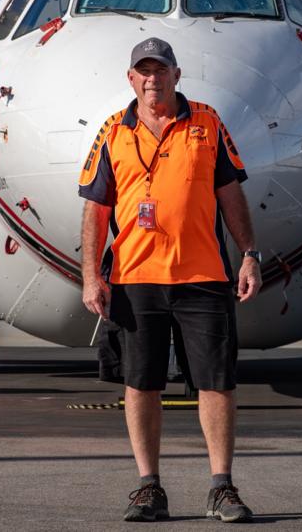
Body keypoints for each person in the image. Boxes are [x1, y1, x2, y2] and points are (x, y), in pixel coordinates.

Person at [78, 37, 262, 523]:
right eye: (144, 70)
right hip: (135, 278)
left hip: (203, 274)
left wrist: (248, 255)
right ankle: (148, 488)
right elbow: (95, 210)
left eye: (161, 70)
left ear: (177, 76)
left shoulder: (208, 121)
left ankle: (221, 487)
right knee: (140, 385)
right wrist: (91, 276)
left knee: (217, 383)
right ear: (131, 78)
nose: (152, 78)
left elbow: (231, 195)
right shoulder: (113, 132)